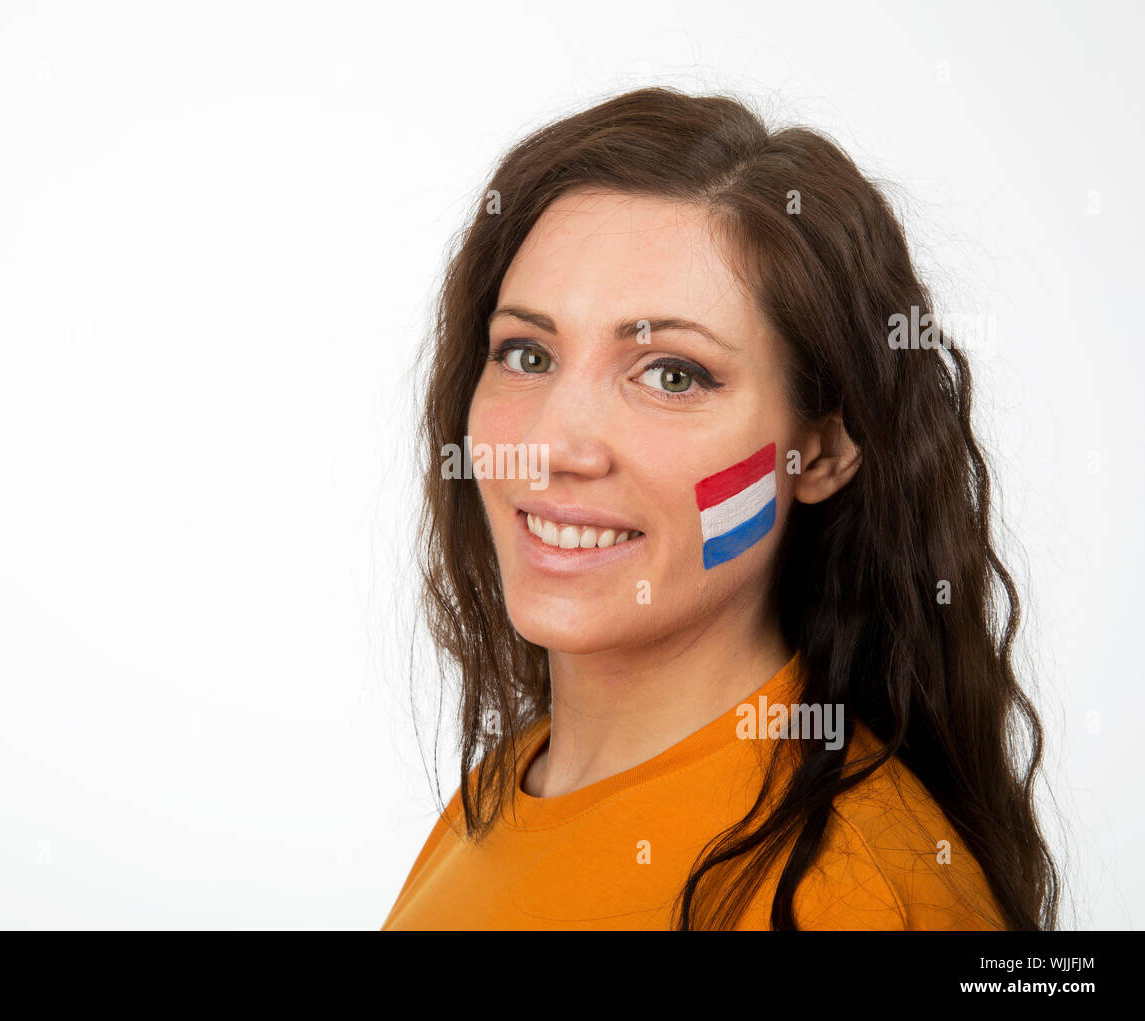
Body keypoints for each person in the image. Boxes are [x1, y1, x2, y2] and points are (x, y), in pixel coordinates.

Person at [382, 87, 1059, 930]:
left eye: (672, 374)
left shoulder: (853, 895)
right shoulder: (505, 786)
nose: (555, 442)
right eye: (527, 353)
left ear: (820, 448)